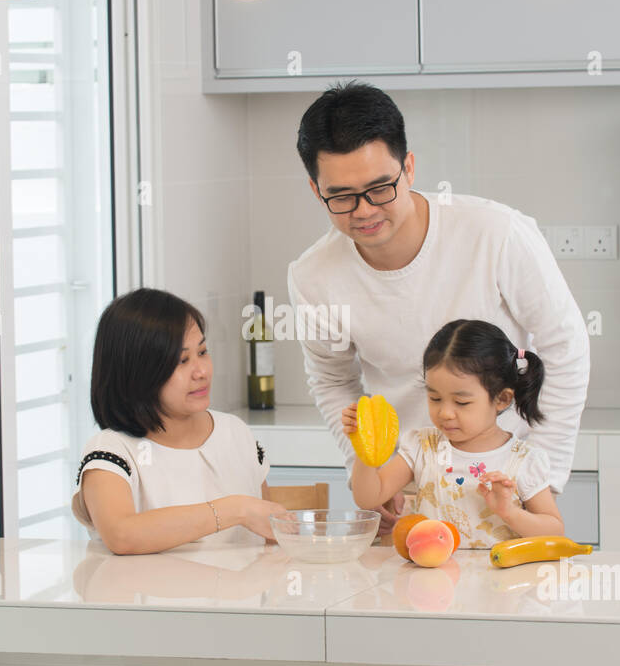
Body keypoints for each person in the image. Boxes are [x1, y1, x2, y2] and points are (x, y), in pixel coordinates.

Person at [288, 81, 589, 530]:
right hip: (409, 492)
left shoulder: (495, 233)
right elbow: (333, 380)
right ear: (316, 190)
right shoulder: (314, 276)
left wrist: (535, 473)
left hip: (506, 487)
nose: (365, 210)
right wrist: (369, 464)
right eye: (342, 196)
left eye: (380, 188)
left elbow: (566, 347)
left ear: (408, 168)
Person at [71, 288, 287, 554]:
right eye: (182, 360)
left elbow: (272, 542)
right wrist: (236, 510)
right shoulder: (113, 452)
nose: (201, 371)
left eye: (203, 352)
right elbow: (122, 535)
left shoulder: (234, 433)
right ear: (137, 372)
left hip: (245, 594)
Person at [346, 320, 564, 545]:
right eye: (435, 399)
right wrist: (363, 443)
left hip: (500, 579)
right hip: (432, 578)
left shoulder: (522, 460)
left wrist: (509, 511)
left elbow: (554, 532)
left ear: (502, 399)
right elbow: (368, 497)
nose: (445, 413)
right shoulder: (423, 446)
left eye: (461, 402)